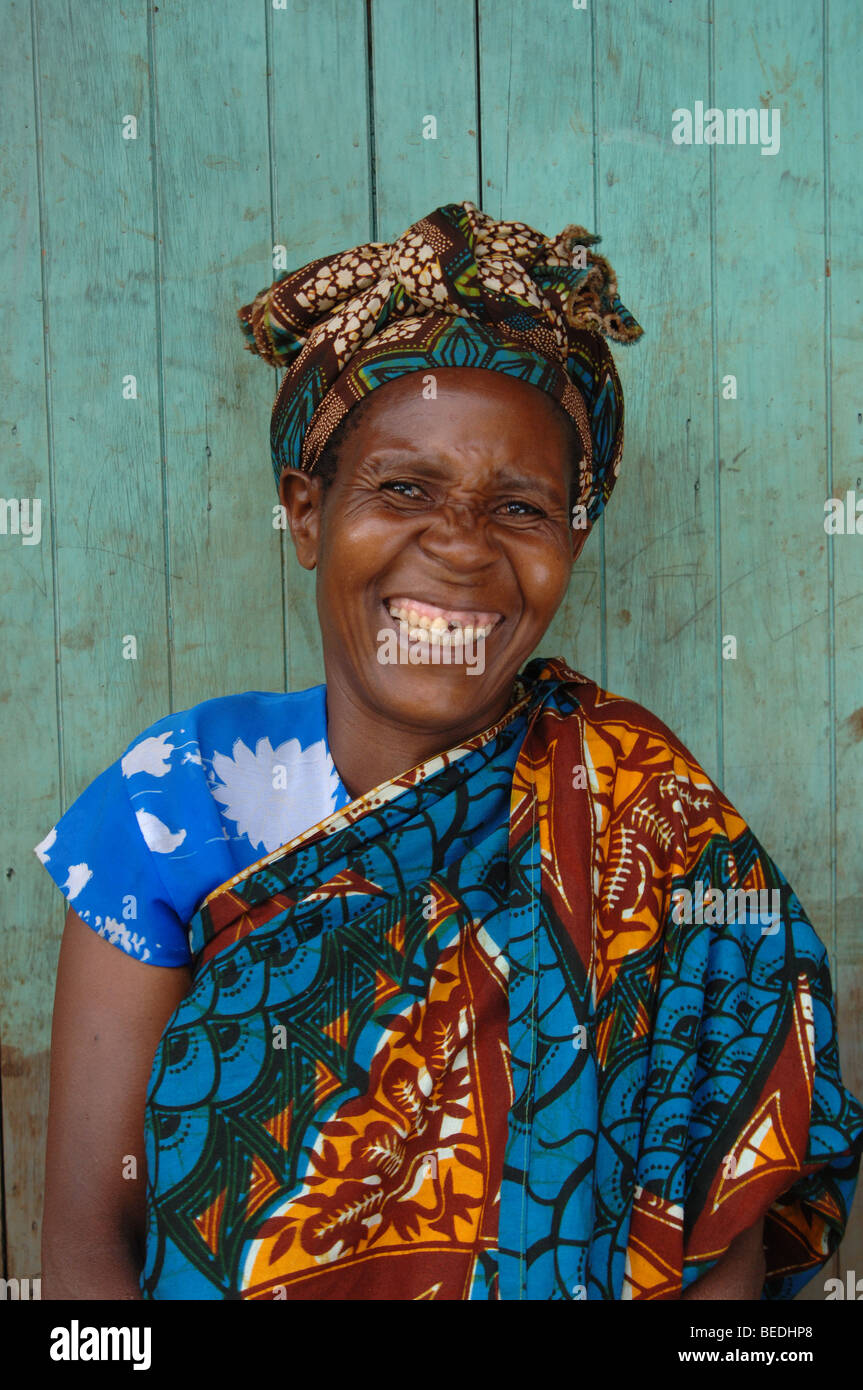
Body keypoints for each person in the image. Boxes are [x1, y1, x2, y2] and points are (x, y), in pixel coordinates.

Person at [38, 201, 863, 1301]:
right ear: (303, 512)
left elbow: (714, 1252)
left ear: (570, 542)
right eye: (403, 488)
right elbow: (89, 1243)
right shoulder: (172, 799)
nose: (459, 547)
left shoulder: (654, 825)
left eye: (517, 507)